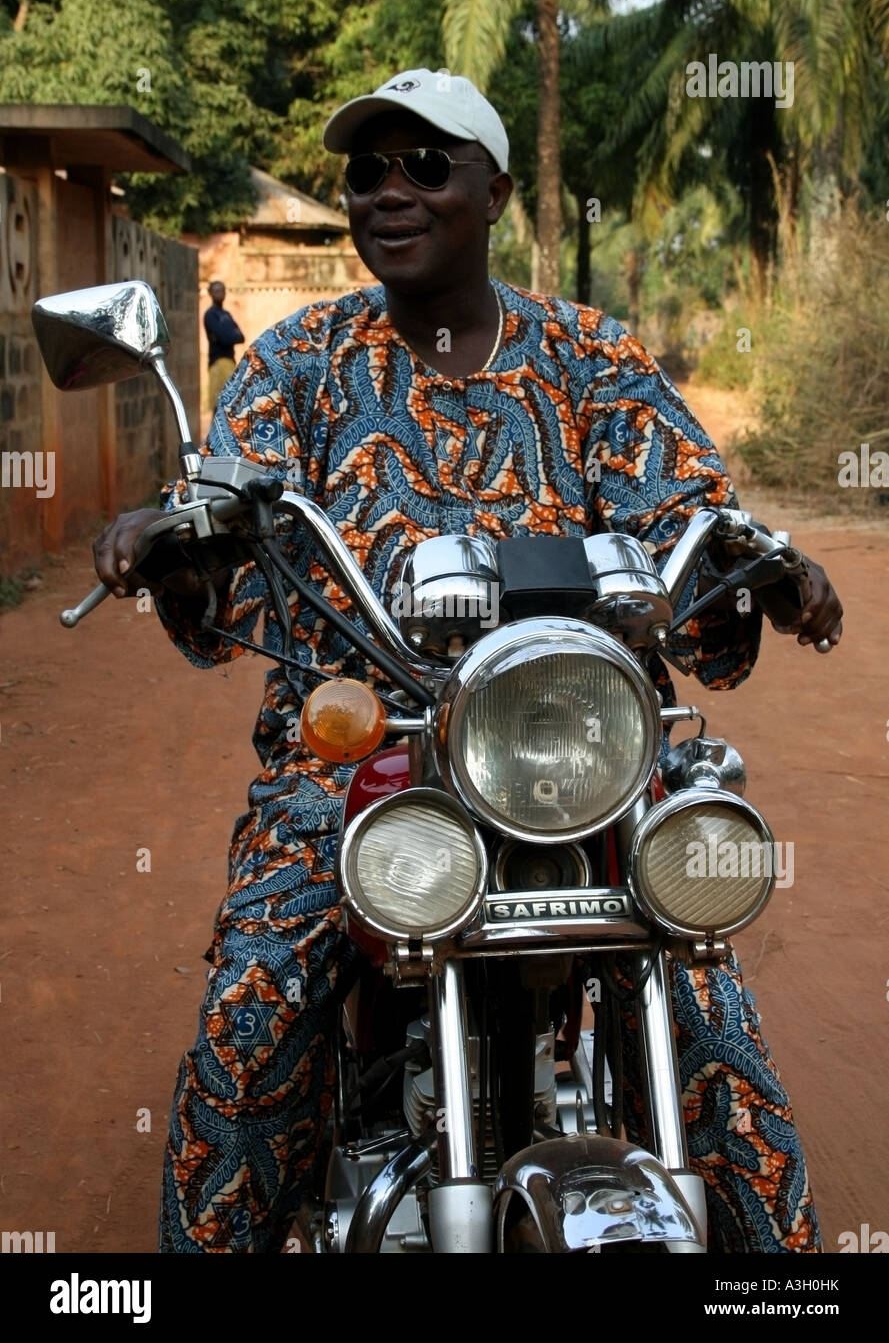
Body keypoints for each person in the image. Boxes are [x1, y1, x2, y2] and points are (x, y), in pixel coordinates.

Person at [93, 68, 843, 1254]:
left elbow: (692, 507)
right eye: (365, 171)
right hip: (358, 764)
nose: (386, 192)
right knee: (257, 1005)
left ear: (493, 189)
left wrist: (762, 563)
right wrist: (174, 532)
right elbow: (225, 507)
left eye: (423, 167)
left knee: (711, 1020)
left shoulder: (592, 357)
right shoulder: (298, 362)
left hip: (583, 759)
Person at [203, 279, 244, 415]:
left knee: (232, 402)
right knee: (219, 403)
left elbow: (240, 337)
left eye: (222, 290)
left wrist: (226, 335)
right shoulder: (210, 315)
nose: (220, 293)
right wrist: (228, 334)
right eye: (216, 291)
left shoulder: (226, 315)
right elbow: (227, 337)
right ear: (210, 293)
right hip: (217, 362)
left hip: (230, 361)